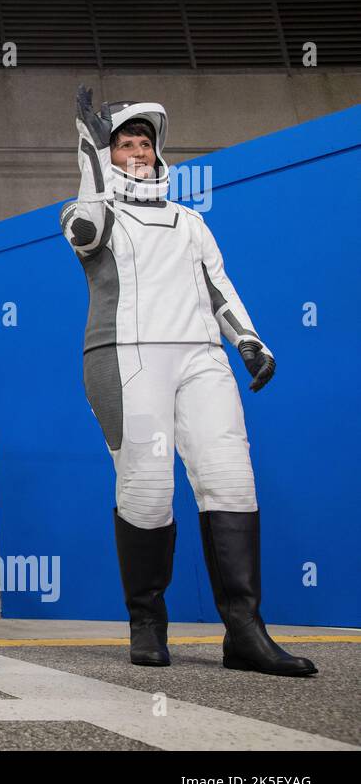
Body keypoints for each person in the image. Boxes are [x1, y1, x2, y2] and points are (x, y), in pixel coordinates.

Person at [61, 86, 316, 676]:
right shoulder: (87, 212)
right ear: (104, 152)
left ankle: (245, 631)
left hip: (202, 358)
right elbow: (87, 233)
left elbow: (219, 288)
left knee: (231, 483)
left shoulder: (190, 221)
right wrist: (88, 152)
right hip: (128, 358)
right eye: (125, 143)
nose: (139, 152)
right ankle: (147, 624)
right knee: (148, 489)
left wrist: (248, 341)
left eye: (145, 143)